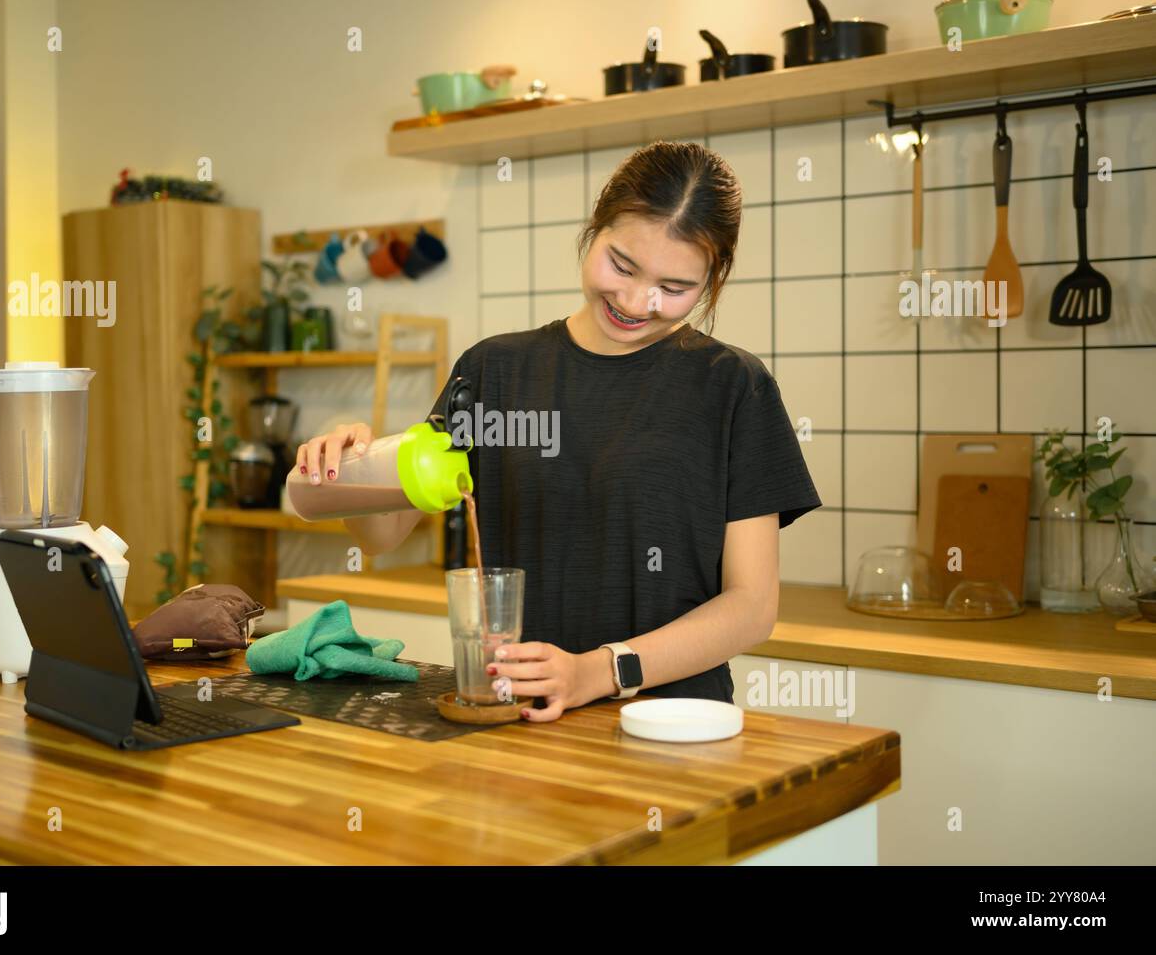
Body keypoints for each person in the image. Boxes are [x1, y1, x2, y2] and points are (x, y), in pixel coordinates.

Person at [294, 140, 820, 722]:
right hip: (515, 715)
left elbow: (751, 606)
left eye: (674, 289)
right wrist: (356, 466)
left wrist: (598, 669)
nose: (636, 300)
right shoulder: (495, 370)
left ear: (713, 277)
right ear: (593, 228)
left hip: (672, 725)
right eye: (620, 265)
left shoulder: (732, 387)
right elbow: (380, 535)